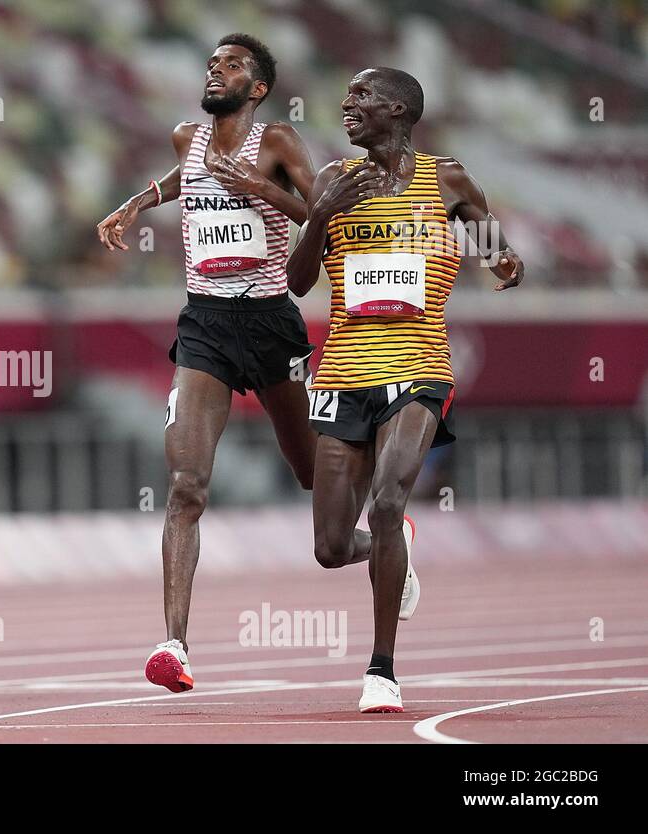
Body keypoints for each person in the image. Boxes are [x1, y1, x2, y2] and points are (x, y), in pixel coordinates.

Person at [285, 67, 524, 712]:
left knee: (388, 501)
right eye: (348, 95)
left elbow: (491, 241)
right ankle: (397, 551)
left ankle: (381, 669)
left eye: (362, 95)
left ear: (399, 109)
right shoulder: (335, 182)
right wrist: (320, 218)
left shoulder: (444, 179)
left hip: (417, 366)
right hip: (343, 373)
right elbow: (298, 281)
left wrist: (503, 260)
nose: (348, 102)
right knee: (332, 548)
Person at [95, 34, 319, 692]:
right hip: (206, 325)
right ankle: (175, 644)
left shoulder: (276, 141)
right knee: (187, 485)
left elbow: (317, 210)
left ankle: (381, 535)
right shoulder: (183, 137)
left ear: (256, 88)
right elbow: (183, 177)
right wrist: (137, 202)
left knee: (312, 478)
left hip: (272, 320)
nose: (215, 69)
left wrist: (253, 184)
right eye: (211, 62)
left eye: (232, 65)